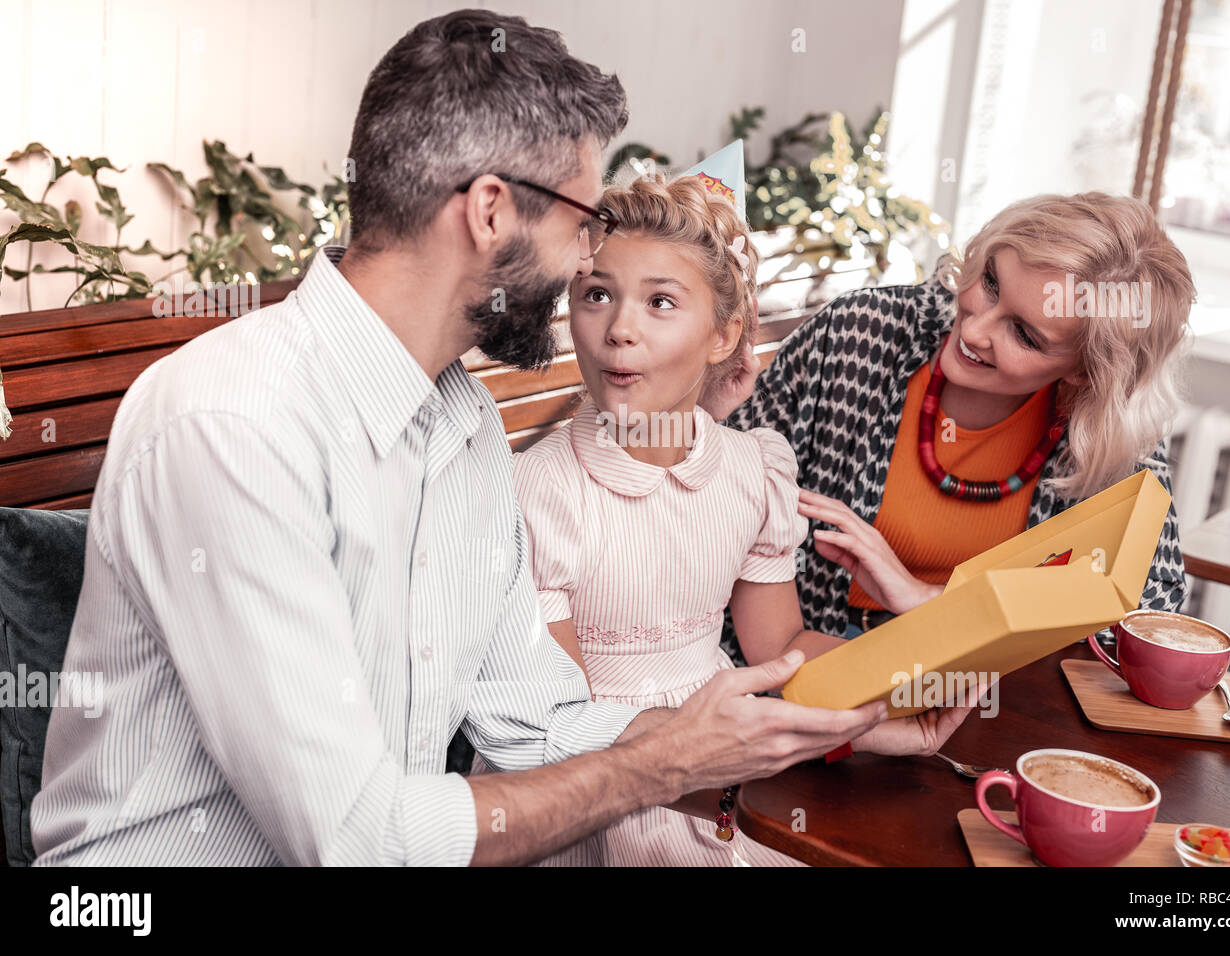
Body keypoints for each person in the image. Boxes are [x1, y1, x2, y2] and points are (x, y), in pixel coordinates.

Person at [29, 9, 894, 867]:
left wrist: (778, 726)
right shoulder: (235, 425)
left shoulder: (464, 423)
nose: (582, 263)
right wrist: (658, 765)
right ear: (490, 211)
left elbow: (538, 717)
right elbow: (357, 841)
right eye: (582, 223)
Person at [493, 170, 979, 866]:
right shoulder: (536, 490)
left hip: (729, 769)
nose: (619, 328)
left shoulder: (754, 471)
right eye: (596, 294)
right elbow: (560, 720)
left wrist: (904, 690)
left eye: (661, 301)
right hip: (596, 788)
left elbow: (779, 647)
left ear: (723, 334)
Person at [708, 193, 1194, 647]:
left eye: (1024, 334)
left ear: (1088, 372)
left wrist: (929, 602)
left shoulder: (1111, 430)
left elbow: (1152, 609)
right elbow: (714, 495)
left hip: (986, 688)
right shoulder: (863, 332)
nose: (974, 328)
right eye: (990, 283)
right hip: (801, 652)